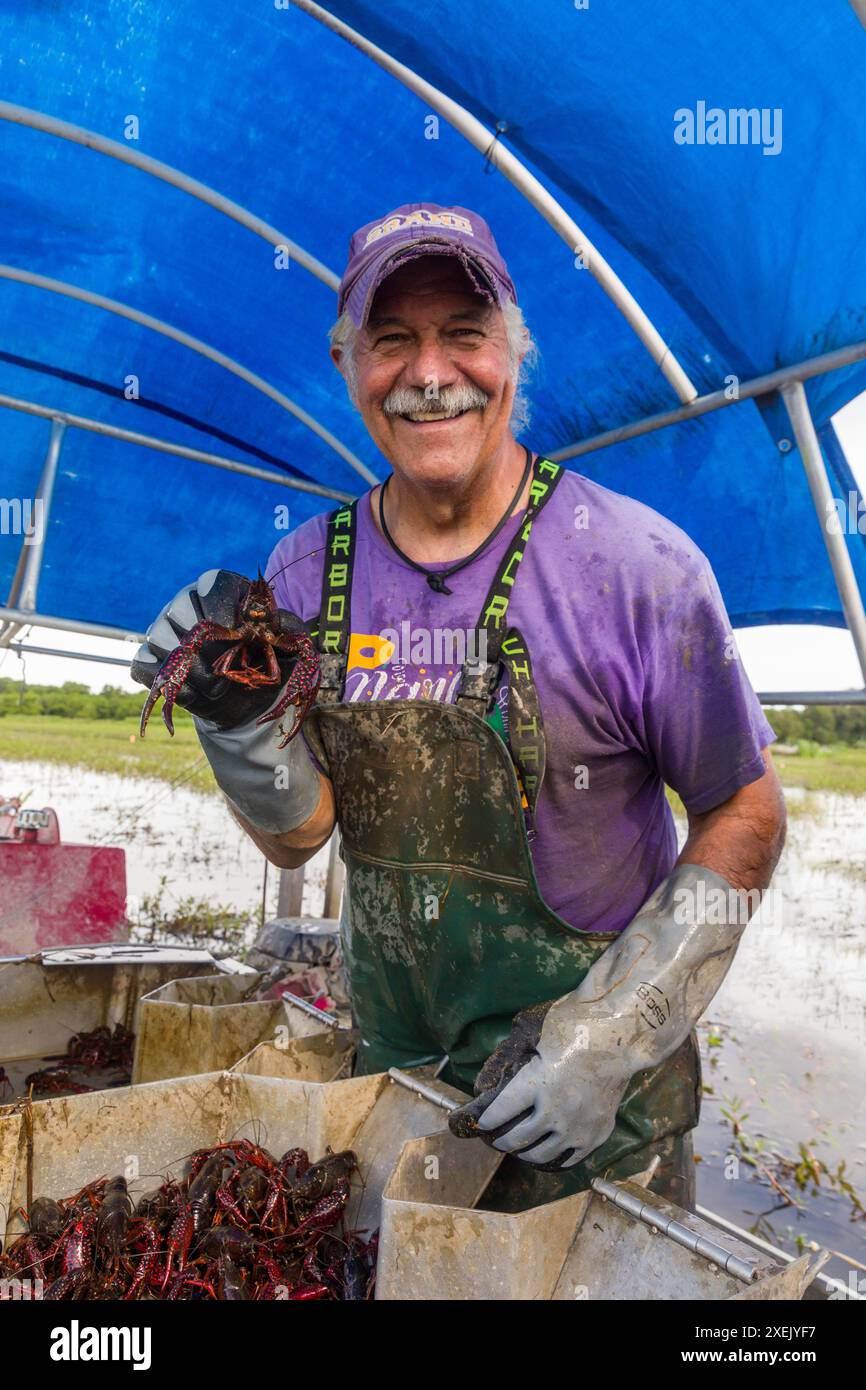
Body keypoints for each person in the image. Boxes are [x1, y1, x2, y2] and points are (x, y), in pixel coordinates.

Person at [133, 203, 786, 1212]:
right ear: (347, 364)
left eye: (463, 336)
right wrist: (233, 719)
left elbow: (742, 811)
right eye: (390, 341)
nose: (429, 373)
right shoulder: (304, 575)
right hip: (397, 1096)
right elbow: (301, 837)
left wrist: (610, 1037)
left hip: (597, 1128)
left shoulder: (636, 568)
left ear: (513, 354)